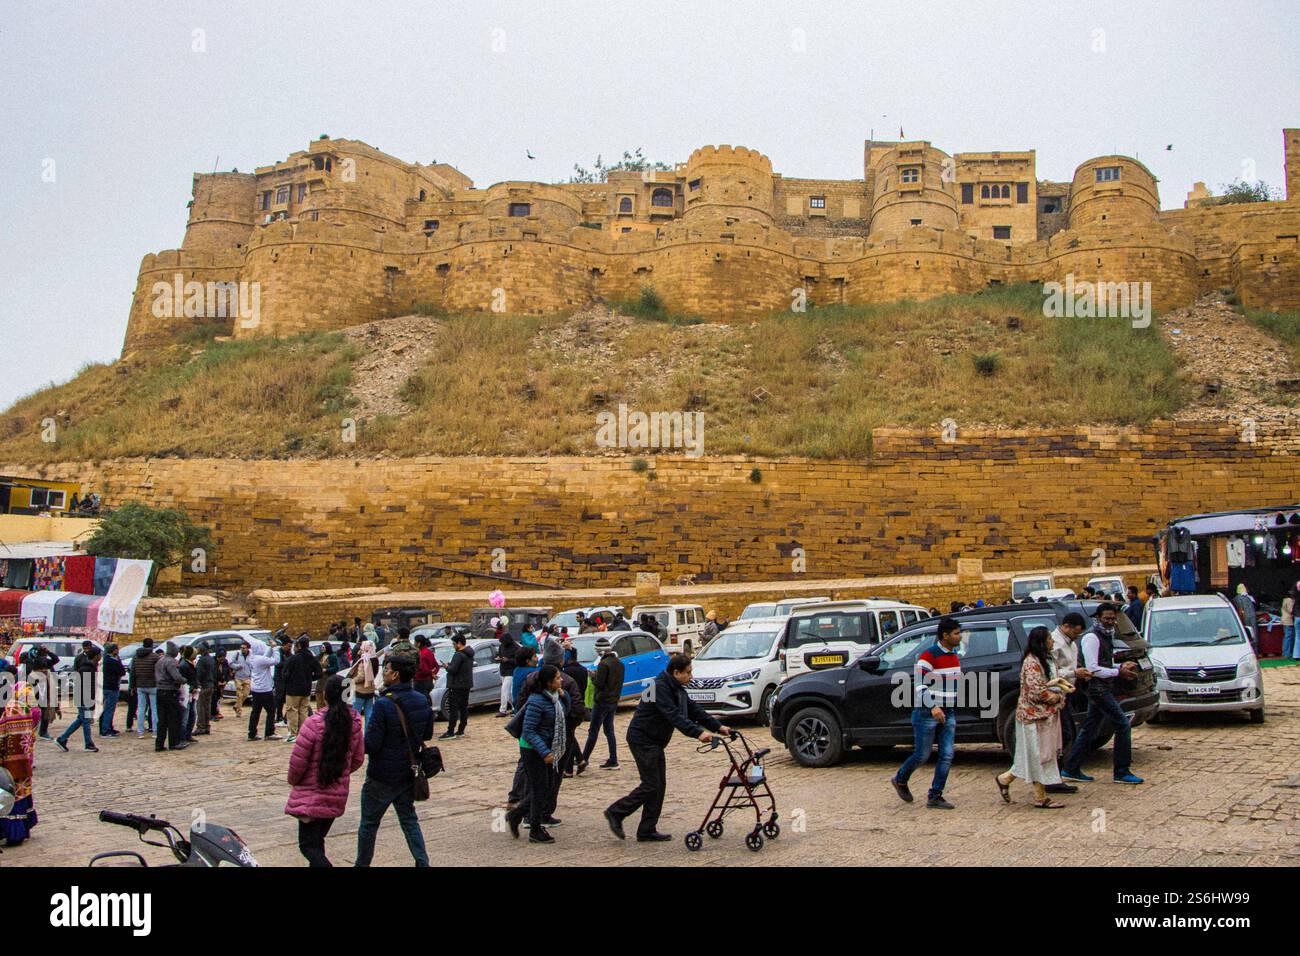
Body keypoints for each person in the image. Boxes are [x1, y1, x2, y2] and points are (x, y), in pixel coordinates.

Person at [604, 654, 729, 842]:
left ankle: (646, 829)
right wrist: (698, 733)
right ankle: (616, 812)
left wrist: (717, 726)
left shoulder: (676, 687)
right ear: (676, 672)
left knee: (658, 786)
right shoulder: (658, 686)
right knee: (651, 784)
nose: (691, 676)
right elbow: (673, 715)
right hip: (642, 739)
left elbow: (693, 709)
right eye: (688, 673)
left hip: (655, 741)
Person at [355, 654, 433, 867]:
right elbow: (426, 734)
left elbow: (371, 744)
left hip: (381, 774)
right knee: (409, 820)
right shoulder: (421, 699)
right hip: (408, 771)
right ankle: (422, 861)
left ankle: (362, 864)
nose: (384, 673)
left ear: (396, 674)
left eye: (386, 670)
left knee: (369, 824)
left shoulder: (383, 704)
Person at [285, 674, 365, 867]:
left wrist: (294, 780)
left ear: (325, 696)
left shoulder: (313, 723)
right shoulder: (353, 723)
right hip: (336, 793)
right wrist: (340, 772)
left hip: (310, 793)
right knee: (317, 842)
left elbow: (298, 762)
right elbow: (357, 759)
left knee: (308, 846)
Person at [1061, 603, 1143, 785]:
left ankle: (1071, 768)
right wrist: (1118, 672)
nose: (1110, 622)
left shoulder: (1107, 636)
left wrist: (1120, 668)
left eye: (1113, 619)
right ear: (1098, 618)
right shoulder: (1092, 637)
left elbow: (1103, 664)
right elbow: (1093, 669)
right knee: (1122, 724)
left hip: (1103, 687)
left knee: (1090, 727)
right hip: (1097, 689)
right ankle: (1121, 771)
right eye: (1106, 619)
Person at [891, 616, 963, 810]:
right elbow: (919, 684)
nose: (960, 636)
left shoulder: (954, 655)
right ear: (945, 635)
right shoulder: (928, 656)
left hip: (948, 711)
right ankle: (900, 778)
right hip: (927, 712)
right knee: (922, 754)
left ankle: (935, 795)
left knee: (947, 754)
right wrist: (933, 706)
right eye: (956, 633)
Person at [996, 626, 1069, 808]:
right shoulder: (1032, 663)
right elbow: (1036, 691)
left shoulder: (1046, 660)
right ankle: (1040, 797)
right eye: (1049, 639)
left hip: (1045, 716)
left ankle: (1005, 779)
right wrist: (1057, 697)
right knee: (1038, 755)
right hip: (1034, 717)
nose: (1052, 641)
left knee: (1034, 755)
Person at [505, 664, 568, 844]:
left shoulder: (555, 697)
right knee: (540, 789)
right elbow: (528, 731)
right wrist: (545, 752)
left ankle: (516, 815)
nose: (561, 680)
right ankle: (535, 829)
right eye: (557, 678)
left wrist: (566, 696)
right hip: (533, 750)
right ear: (548, 683)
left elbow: (566, 711)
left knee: (544, 788)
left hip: (546, 747)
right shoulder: (537, 701)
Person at [1047, 612, 1089, 795]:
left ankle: (1057, 775)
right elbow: (1052, 672)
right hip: (1056, 694)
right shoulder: (1055, 642)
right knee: (1062, 734)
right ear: (1066, 627)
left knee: (1067, 733)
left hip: (1068, 693)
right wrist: (1074, 673)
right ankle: (1052, 777)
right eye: (1075, 633)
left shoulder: (1070, 643)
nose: (1076, 637)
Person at [0, 682, 41, 845]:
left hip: (8, 764)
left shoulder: (5, 712)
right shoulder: (22, 707)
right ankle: (24, 827)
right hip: (24, 759)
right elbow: (32, 734)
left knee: (10, 796)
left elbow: (2, 739)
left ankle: (14, 834)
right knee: (22, 794)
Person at [581, 635, 623, 771]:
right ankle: (613, 758)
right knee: (609, 730)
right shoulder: (619, 663)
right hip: (614, 700)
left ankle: (584, 758)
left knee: (593, 731)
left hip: (602, 701)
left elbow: (599, 684)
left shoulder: (604, 664)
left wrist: (593, 676)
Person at [55, 644, 101, 753]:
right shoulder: (86, 669)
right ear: (95, 656)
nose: (100, 656)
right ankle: (88, 744)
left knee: (81, 719)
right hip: (83, 698)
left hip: (87, 698)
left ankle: (62, 739)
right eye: (99, 654)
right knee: (85, 721)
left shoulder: (91, 667)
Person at [283, 635, 322, 744]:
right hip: (306, 689)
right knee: (303, 711)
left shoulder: (293, 658)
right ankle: (303, 733)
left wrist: (287, 683)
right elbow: (319, 672)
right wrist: (309, 678)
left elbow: (285, 674)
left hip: (293, 689)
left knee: (292, 711)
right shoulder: (311, 658)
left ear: (299, 646)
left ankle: (293, 734)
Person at [246, 636, 282, 741]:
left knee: (255, 712)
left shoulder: (253, 658)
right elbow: (276, 660)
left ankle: (252, 733)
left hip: (256, 689)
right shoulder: (260, 660)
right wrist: (275, 647)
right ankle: (269, 732)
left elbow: (266, 656)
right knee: (271, 710)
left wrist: (271, 647)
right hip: (264, 689)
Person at [154, 643, 187, 752]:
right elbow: (176, 677)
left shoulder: (160, 660)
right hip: (170, 691)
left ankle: (159, 744)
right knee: (174, 718)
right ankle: (174, 742)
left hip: (159, 690)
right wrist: (184, 680)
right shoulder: (171, 662)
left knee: (162, 720)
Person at [440, 633, 474, 740]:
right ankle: (461, 729)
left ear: (459, 643)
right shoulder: (469, 654)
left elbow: (453, 670)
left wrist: (447, 666)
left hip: (456, 685)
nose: (453, 646)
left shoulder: (458, 655)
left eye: (454, 644)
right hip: (466, 684)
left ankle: (451, 731)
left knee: (453, 708)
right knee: (464, 708)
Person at [348, 639, 380, 723]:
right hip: (370, 689)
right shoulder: (374, 659)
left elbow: (361, 677)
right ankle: (367, 734)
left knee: (356, 715)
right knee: (369, 713)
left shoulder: (364, 660)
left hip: (360, 690)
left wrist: (352, 680)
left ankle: (356, 733)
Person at [130, 639, 157, 739]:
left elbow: (132, 672)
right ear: (152, 645)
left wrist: (132, 686)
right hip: (153, 685)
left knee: (141, 708)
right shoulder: (155, 657)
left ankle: (140, 732)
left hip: (140, 685)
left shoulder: (136, 656)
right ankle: (155, 731)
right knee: (154, 709)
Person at [99, 643, 124, 738]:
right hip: (112, 687)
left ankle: (105, 727)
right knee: (109, 709)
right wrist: (118, 660)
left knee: (106, 709)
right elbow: (122, 671)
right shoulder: (113, 661)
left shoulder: (106, 659)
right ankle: (106, 730)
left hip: (106, 686)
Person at [494, 624, 520, 716]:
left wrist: (508, 660)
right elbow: (500, 654)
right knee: (508, 693)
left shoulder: (516, 647)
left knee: (504, 690)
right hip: (503, 670)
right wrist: (499, 658)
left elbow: (518, 660)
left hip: (511, 671)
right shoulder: (502, 646)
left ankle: (503, 710)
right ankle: (514, 708)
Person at [178, 646, 199, 742]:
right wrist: (191, 688)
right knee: (185, 717)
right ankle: (182, 737)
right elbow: (183, 681)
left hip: (192, 693)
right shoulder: (184, 665)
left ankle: (188, 734)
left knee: (192, 715)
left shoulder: (190, 664)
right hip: (186, 694)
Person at [195, 644, 216, 736]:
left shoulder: (202, 660)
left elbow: (199, 674)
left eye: (198, 648)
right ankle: (207, 726)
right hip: (210, 685)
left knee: (201, 707)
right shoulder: (211, 659)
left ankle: (201, 727)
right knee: (207, 707)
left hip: (204, 686)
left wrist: (197, 683)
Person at [228, 641, 252, 718]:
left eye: (244, 648)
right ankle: (239, 712)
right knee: (239, 695)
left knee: (246, 694)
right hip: (238, 677)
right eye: (241, 647)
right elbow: (231, 663)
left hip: (247, 677)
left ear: (248, 648)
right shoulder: (237, 654)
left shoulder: (251, 655)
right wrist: (238, 666)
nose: (242, 649)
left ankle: (236, 706)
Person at [413, 635, 439, 704]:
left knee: (421, 702)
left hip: (421, 682)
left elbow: (423, 670)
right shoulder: (429, 652)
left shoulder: (421, 654)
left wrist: (430, 673)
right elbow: (436, 666)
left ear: (418, 643)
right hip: (429, 681)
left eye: (415, 642)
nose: (414, 644)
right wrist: (433, 673)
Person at [1233, 583, 1258, 652]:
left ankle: (1253, 651)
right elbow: (1240, 610)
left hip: (1248, 618)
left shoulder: (1246, 597)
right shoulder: (1241, 598)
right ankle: (1253, 651)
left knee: (1251, 635)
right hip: (1248, 619)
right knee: (1251, 635)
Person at [1283, 586, 1297, 660]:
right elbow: (1291, 610)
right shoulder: (1289, 600)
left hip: (1286, 620)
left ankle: (1286, 653)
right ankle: (1287, 653)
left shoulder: (1285, 600)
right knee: (1288, 637)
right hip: (1288, 620)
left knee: (1287, 637)